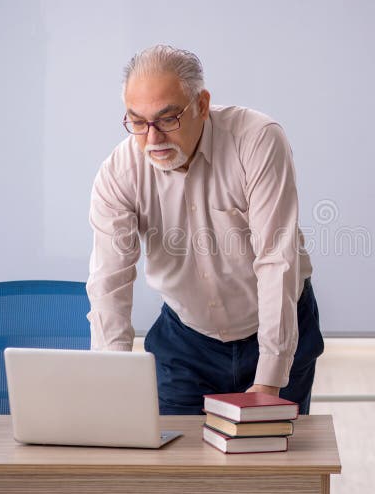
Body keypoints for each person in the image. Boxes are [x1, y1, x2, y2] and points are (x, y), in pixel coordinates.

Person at [86, 44, 323, 415]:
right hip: (187, 340)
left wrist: (270, 377)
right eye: (137, 122)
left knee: (273, 464)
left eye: (167, 119)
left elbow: (277, 259)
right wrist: (111, 377)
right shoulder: (119, 173)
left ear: (201, 104)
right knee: (179, 466)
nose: (152, 139)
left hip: (276, 322)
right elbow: (110, 282)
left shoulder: (257, 140)